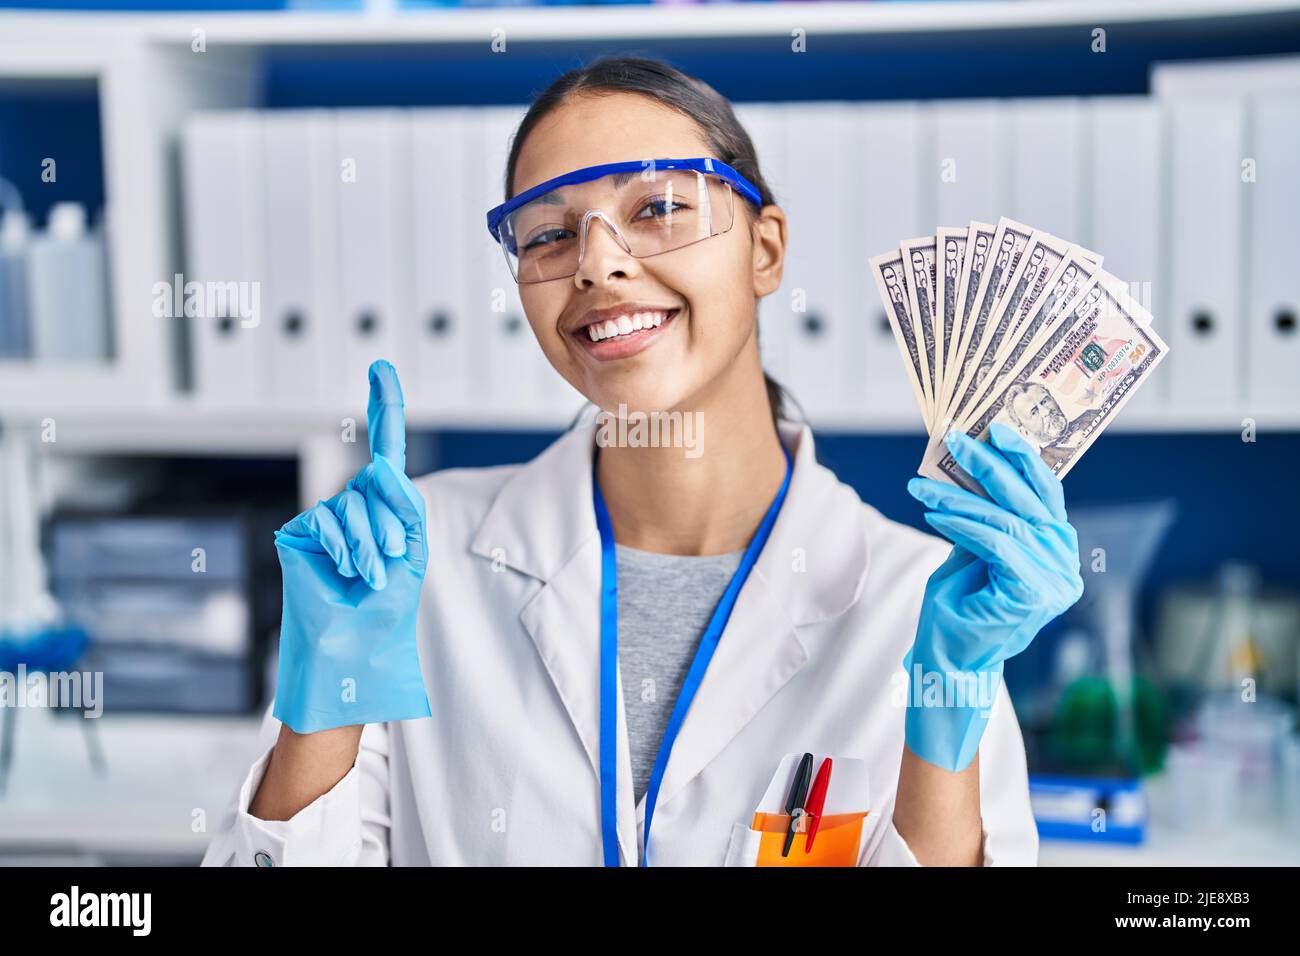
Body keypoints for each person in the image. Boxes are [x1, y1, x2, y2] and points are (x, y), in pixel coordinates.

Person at [201, 56, 1083, 867]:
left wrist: (946, 706)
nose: (596, 265)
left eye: (658, 208)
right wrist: (325, 700)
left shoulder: (923, 603)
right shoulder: (412, 567)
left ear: (765, 248)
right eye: (547, 235)